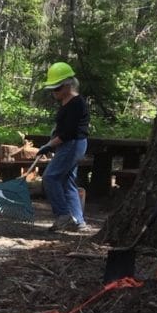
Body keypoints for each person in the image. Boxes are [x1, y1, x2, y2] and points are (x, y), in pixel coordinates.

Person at [37, 61, 90, 232]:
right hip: (68, 145)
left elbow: (69, 131)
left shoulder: (76, 103)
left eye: (57, 88)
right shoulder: (67, 103)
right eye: (52, 89)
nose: (54, 92)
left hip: (72, 145)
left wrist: (50, 145)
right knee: (67, 181)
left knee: (50, 177)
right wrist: (51, 142)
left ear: (68, 85)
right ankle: (78, 221)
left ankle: (63, 215)